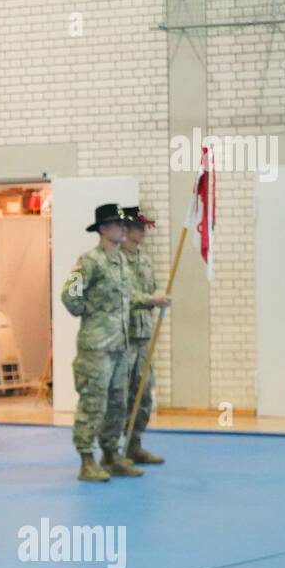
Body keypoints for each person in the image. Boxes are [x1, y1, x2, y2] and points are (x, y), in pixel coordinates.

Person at [61, 203, 141, 482]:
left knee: (117, 402)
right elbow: (69, 295)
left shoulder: (121, 261)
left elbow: (127, 299)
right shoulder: (89, 261)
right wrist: (90, 314)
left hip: (120, 345)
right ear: (104, 229)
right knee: (93, 402)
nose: (124, 229)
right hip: (96, 347)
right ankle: (86, 459)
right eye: (119, 225)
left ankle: (111, 454)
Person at [118, 206, 169, 465]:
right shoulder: (115, 260)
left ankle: (134, 443)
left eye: (144, 227)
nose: (143, 231)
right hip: (121, 336)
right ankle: (114, 448)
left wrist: (153, 301)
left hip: (143, 335)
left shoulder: (145, 261)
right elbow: (124, 297)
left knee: (144, 392)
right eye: (139, 227)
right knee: (120, 394)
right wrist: (152, 300)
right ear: (125, 229)